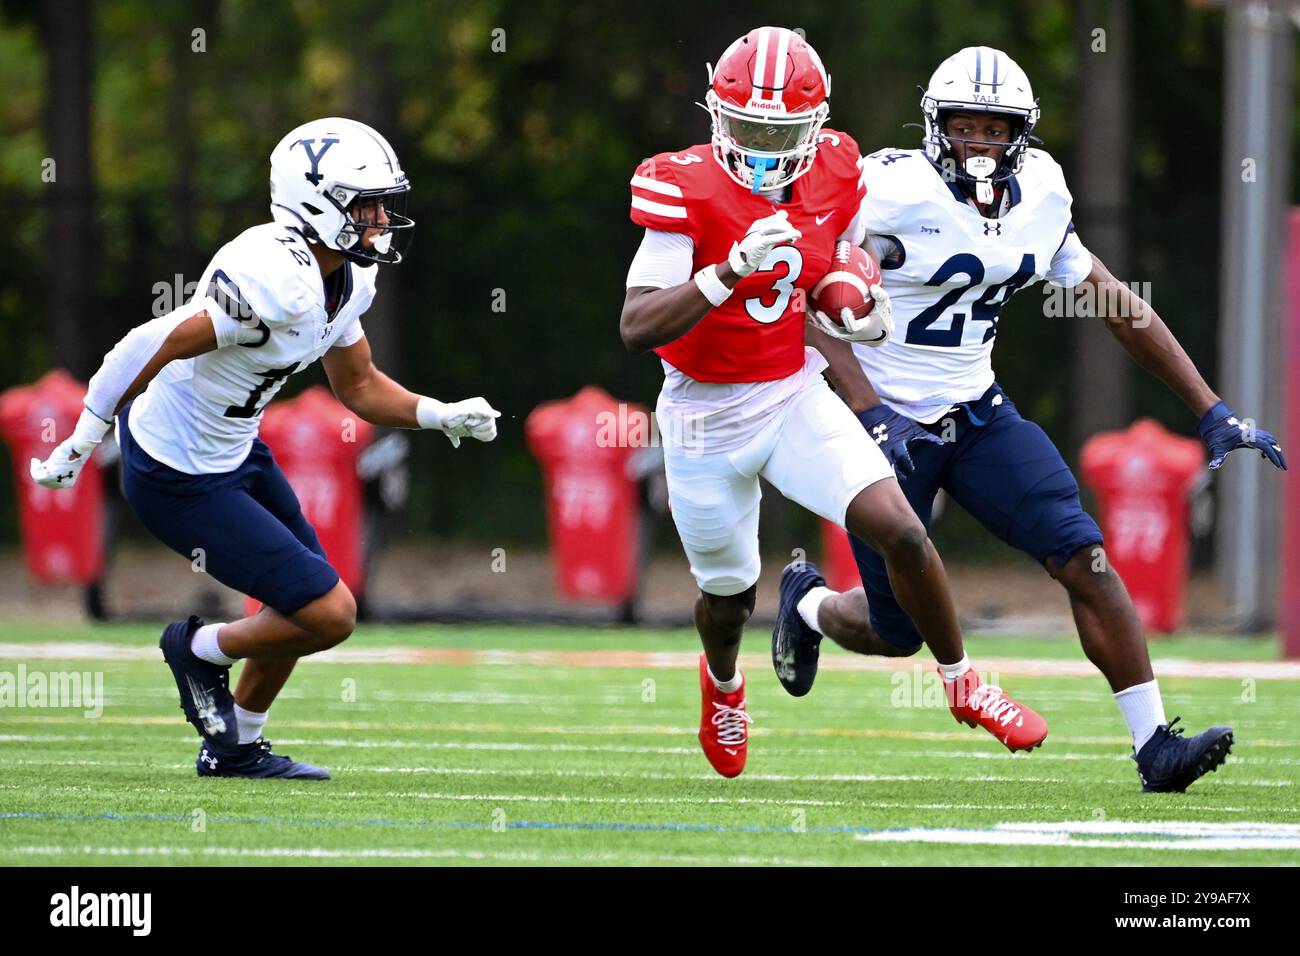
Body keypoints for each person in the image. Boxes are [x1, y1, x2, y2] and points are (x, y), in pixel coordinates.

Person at [774, 47, 1286, 793]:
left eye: (994, 128)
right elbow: (805, 307)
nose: (978, 142)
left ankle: (1155, 747)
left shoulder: (1041, 192)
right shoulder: (879, 188)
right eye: (964, 126)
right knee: (896, 632)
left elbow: (1114, 301)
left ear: (1022, 134)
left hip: (977, 413)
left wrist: (1211, 410)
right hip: (878, 423)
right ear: (934, 126)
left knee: (1087, 556)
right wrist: (872, 413)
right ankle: (810, 604)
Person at [621, 28, 1048, 779]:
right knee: (727, 600)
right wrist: (725, 272)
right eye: (746, 128)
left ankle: (964, 685)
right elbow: (637, 325)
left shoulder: (838, 171)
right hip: (700, 413)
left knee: (903, 532)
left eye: (777, 132)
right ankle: (722, 685)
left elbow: (832, 281)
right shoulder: (680, 183)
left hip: (790, 393)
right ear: (716, 115)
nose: (759, 146)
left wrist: (862, 310)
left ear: (812, 129)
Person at [30, 117, 501, 779]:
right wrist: (82, 437)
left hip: (235, 453)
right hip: (176, 471)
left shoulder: (343, 276)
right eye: (365, 205)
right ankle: (197, 647)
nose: (381, 219)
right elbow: (148, 341)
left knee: (298, 604)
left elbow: (359, 384)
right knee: (330, 613)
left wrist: (437, 412)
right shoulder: (271, 276)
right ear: (317, 203)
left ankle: (234, 747)